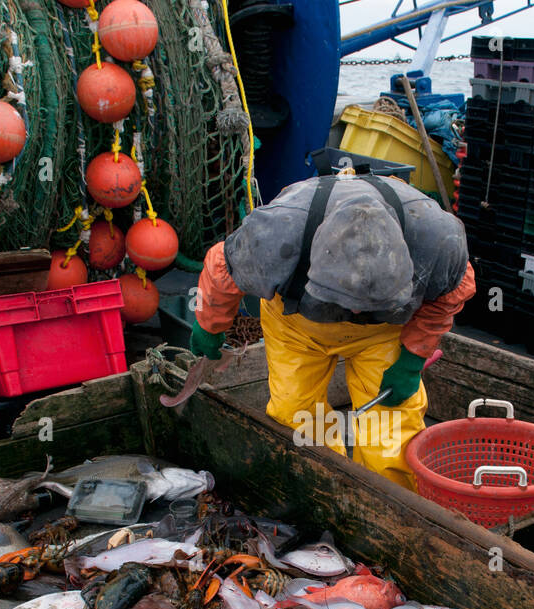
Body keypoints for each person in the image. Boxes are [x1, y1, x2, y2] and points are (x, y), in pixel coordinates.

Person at [190, 170, 475, 490]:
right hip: (297, 330)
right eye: (345, 300)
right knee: (297, 417)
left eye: (366, 302)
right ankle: (325, 492)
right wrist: (210, 326)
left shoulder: (439, 243)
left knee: (391, 430)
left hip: (383, 334)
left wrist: (412, 358)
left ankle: (395, 508)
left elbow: (449, 295)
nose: (354, 311)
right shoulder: (276, 232)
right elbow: (222, 267)